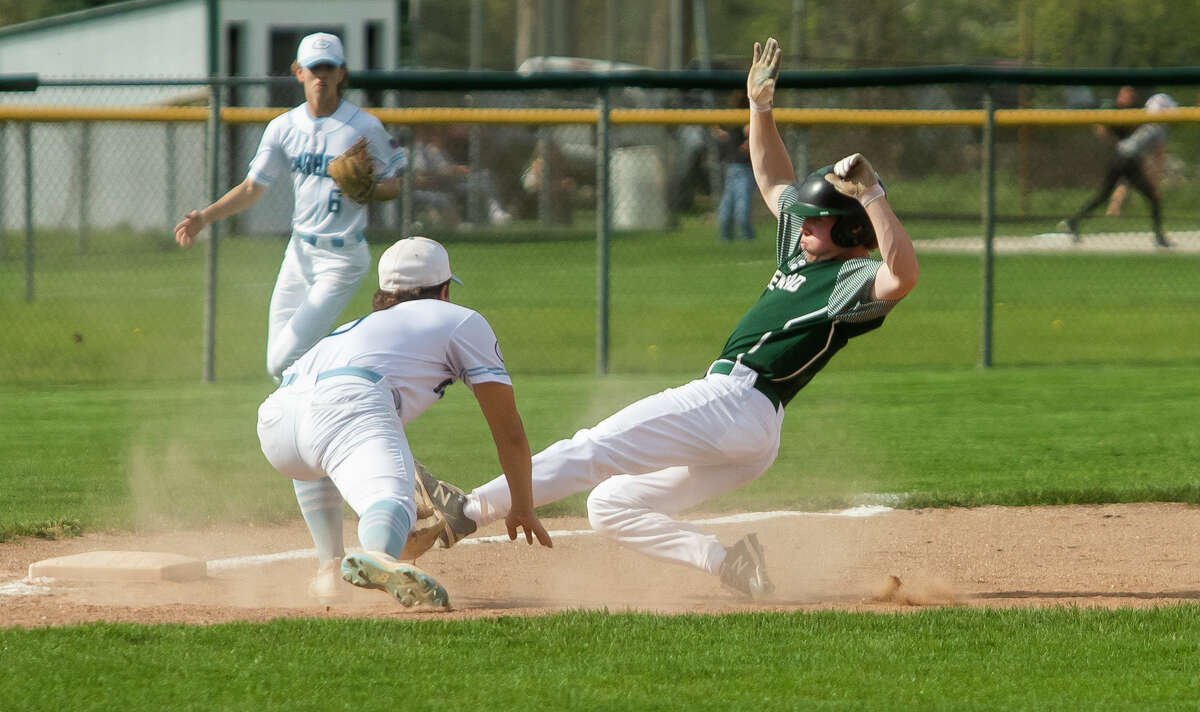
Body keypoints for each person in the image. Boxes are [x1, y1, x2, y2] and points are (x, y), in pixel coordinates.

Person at [408, 37, 920, 600]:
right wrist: (759, 108)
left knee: (592, 448)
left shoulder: (851, 278)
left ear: (849, 231)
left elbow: (903, 276)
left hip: (735, 401)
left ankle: (467, 510)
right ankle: (730, 563)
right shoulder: (805, 250)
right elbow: (775, 182)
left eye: (818, 221)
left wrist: (871, 194)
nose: (803, 224)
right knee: (610, 504)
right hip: (751, 433)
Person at [255, 236, 552, 608]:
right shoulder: (461, 320)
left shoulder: (361, 327)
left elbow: (319, 415)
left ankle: (330, 567)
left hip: (277, 419)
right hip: (348, 402)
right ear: (444, 289)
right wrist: (522, 505)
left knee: (321, 460)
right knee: (394, 502)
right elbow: (508, 431)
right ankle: (379, 554)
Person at [175, 32, 406, 379]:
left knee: (279, 362)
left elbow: (396, 185)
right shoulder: (283, 127)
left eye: (329, 67)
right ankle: (306, 427)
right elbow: (253, 188)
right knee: (284, 370)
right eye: (314, 68)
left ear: (342, 73)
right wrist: (205, 217)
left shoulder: (363, 126)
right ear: (298, 72)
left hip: (340, 260)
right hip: (298, 255)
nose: (321, 76)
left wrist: (369, 188)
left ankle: (362, 351)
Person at [1059, 86, 1175, 248]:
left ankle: (1073, 222)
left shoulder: (1146, 121)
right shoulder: (1159, 127)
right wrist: (1156, 181)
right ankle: (1159, 236)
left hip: (1119, 157)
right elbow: (1158, 155)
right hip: (1127, 160)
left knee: (1104, 195)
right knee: (1153, 197)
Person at [712, 89, 755, 241]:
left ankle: (748, 239)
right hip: (731, 168)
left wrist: (750, 140)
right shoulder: (732, 117)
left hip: (744, 169)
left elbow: (752, 134)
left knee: (741, 210)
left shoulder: (750, 115)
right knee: (725, 211)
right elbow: (717, 130)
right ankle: (726, 240)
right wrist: (720, 134)